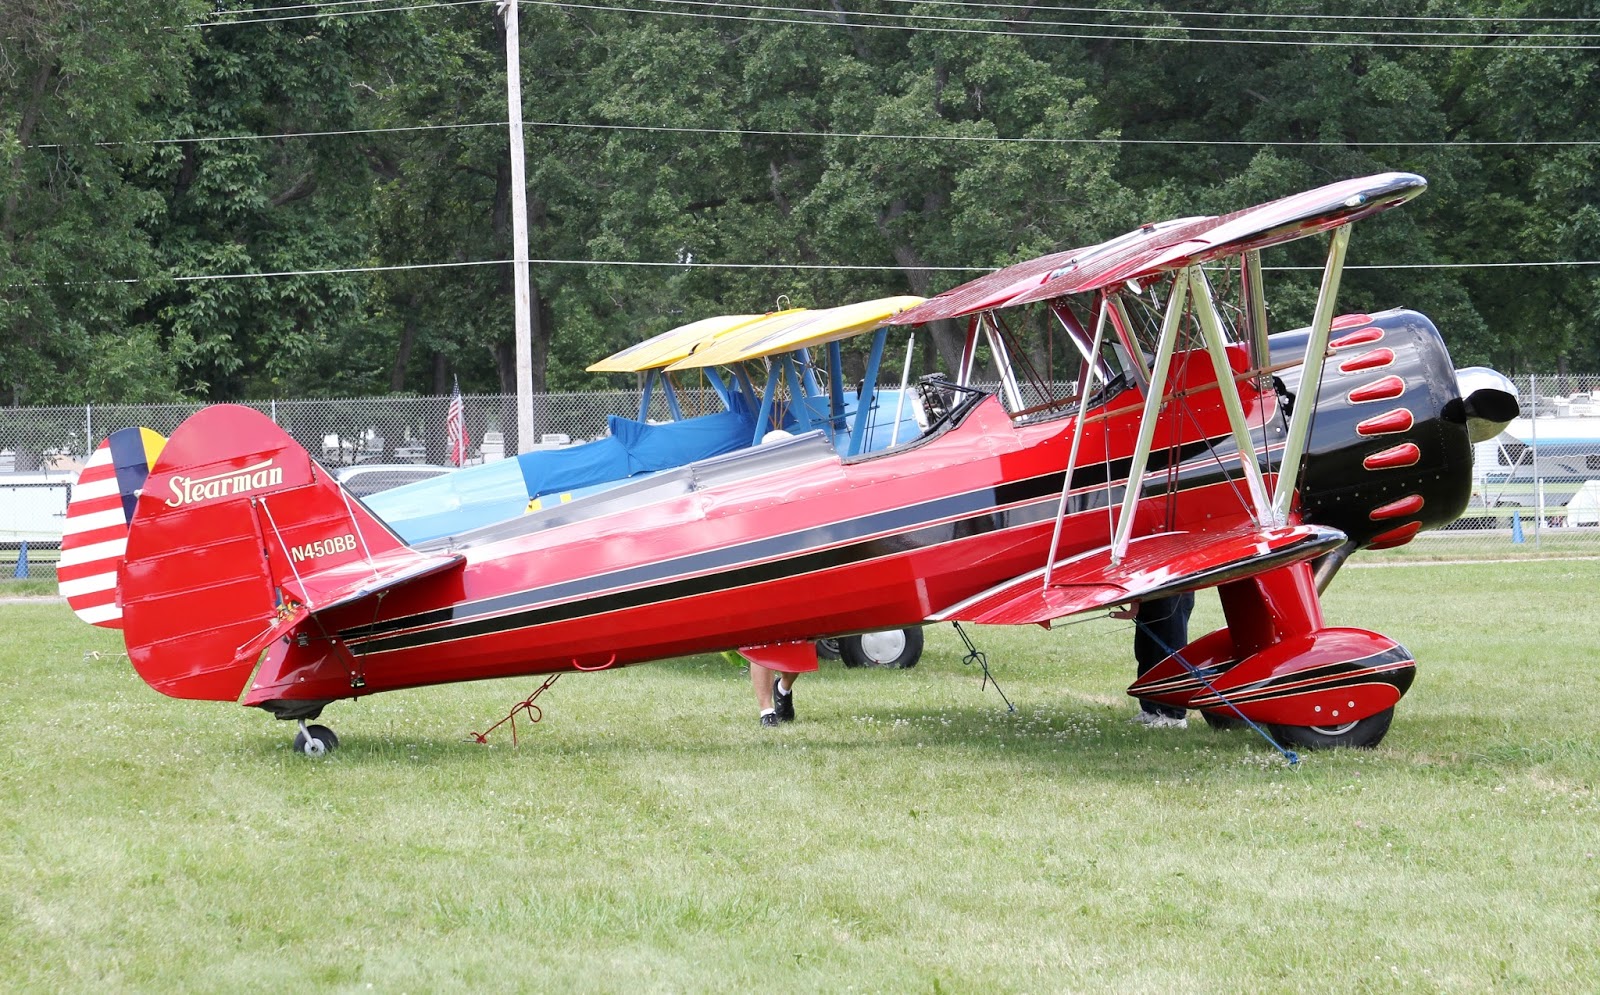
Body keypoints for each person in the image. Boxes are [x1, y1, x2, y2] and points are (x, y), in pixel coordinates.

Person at [1129, 592, 1195, 729]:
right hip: (1150, 583)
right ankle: (1151, 709)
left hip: (1174, 584)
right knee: (1146, 650)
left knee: (1170, 649)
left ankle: (1173, 715)